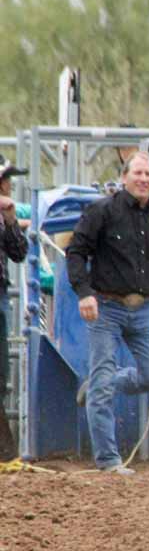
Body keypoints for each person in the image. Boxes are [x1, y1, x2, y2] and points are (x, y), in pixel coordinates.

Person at [66, 152, 149, 474]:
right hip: (105, 307)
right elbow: (76, 252)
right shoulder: (102, 210)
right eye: (139, 173)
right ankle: (108, 461)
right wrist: (84, 293)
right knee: (103, 381)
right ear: (124, 177)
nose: (144, 179)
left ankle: (99, 384)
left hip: (143, 309)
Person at [0, 156, 31, 457]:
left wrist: (10, 222)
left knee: (1, 374)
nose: (9, 184)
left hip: (0, 295)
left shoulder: (5, 214)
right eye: (5, 178)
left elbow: (19, 253)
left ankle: (4, 452)